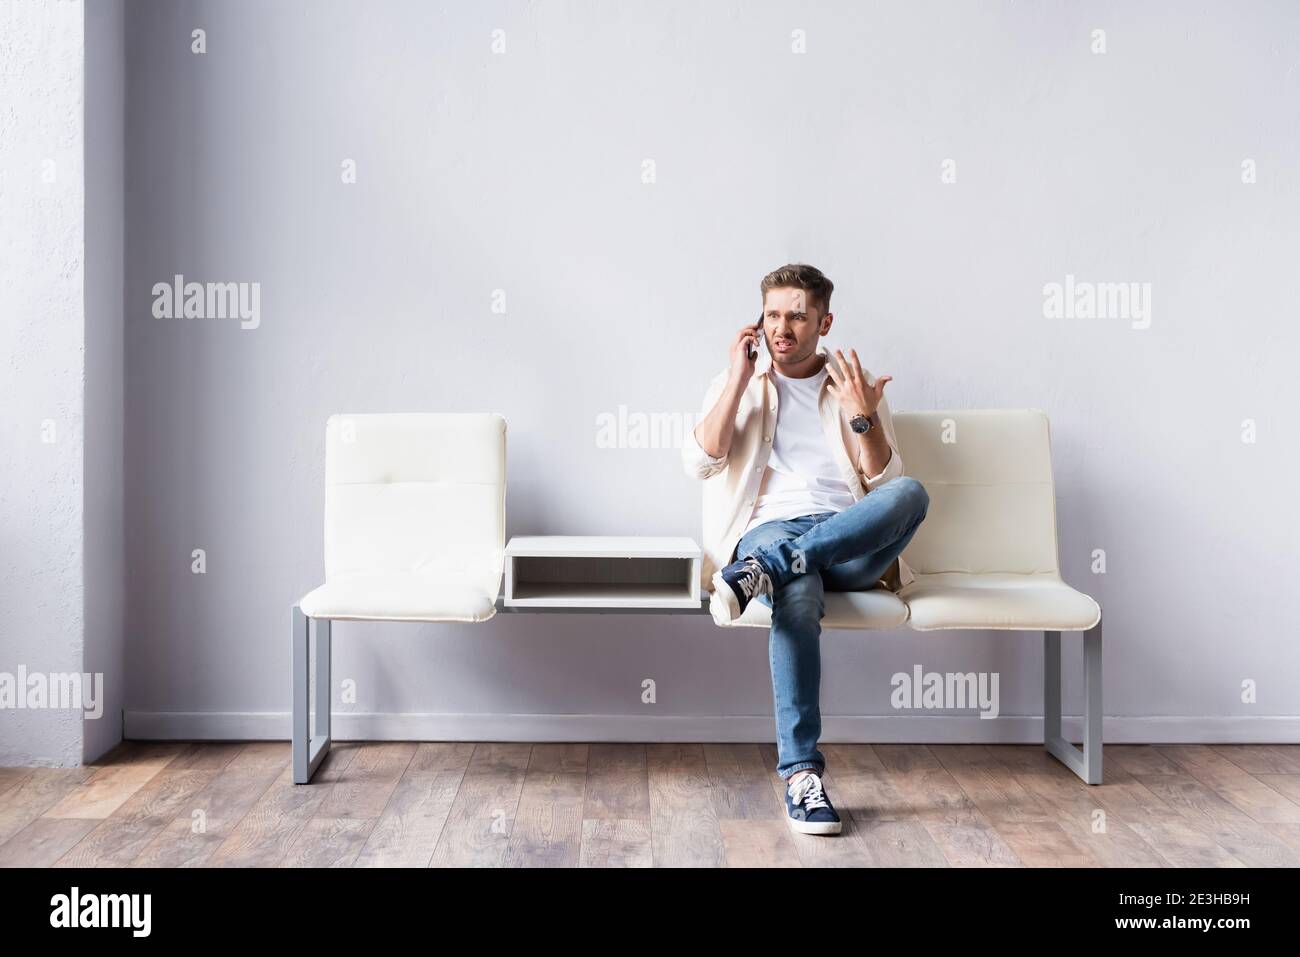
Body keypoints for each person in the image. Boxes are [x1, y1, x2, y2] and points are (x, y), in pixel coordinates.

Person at [681, 263, 930, 835]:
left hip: (848, 539)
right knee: (796, 594)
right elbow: (700, 461)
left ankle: (763, 572)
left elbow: (885, 483)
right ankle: (801, 777)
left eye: (797, 314)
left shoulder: (852, 384)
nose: (782, 327)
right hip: (768, 527)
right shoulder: (737, 384)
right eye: (772, 314)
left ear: (824, 321)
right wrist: (738, 380)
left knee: (912, 494)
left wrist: (862, 415)